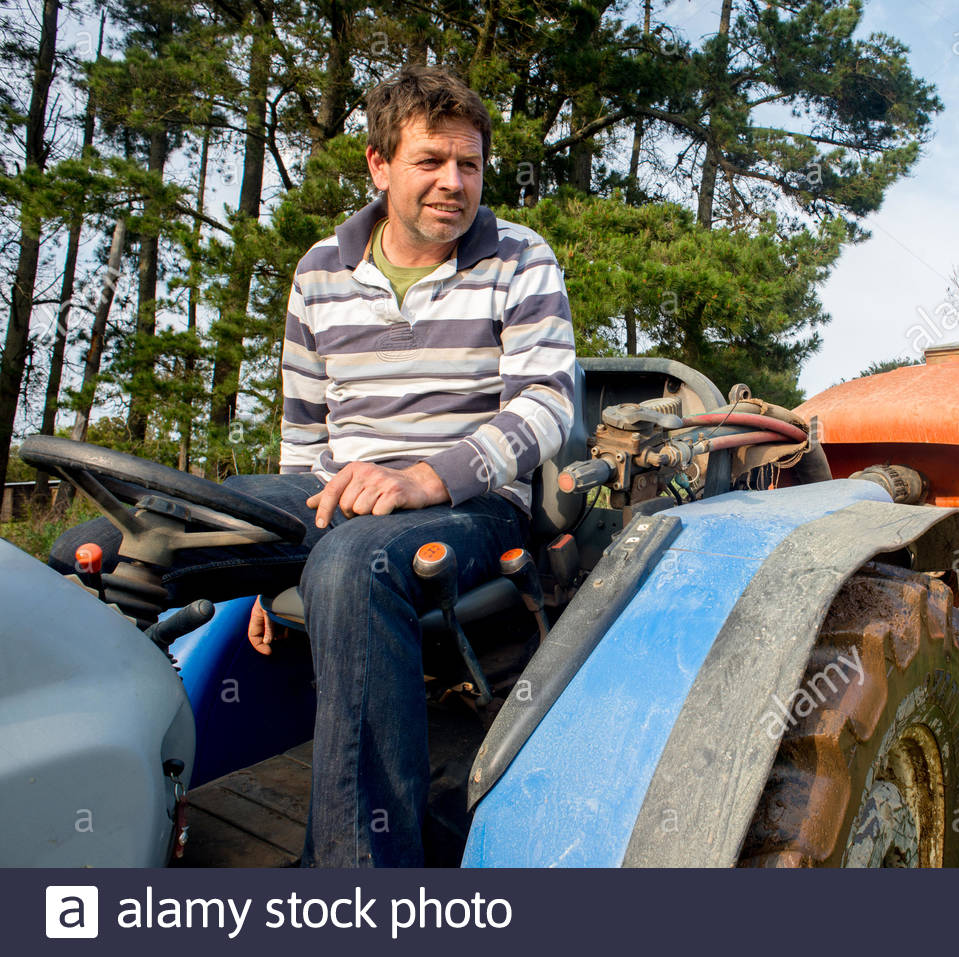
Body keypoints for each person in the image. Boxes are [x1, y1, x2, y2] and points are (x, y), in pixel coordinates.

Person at [47, 65, 578, 867]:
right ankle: (85, 823)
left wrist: (425, 477)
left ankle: (362, 884)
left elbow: (546, 405)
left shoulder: (519, 258)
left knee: (349, 567)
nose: (454, 182)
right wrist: (263, 576)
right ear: (378, 164)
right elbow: (303, 435)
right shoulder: (320, 269)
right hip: (334, 493)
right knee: (102, 543)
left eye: (468, 164)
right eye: (431, 161)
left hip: (471, 504)